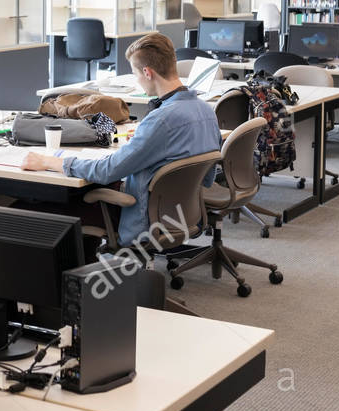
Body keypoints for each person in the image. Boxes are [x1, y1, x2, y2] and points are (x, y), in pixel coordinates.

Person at [24, 32, 222, 249]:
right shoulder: (206, 111)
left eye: (135, 74)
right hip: (180, 212)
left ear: (147, 72)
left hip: (143, 217)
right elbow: (208, 178)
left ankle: (74, 279)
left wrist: (48, 162)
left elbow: (107, 170)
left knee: (35, 208)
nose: (137, 81)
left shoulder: (161, 120)